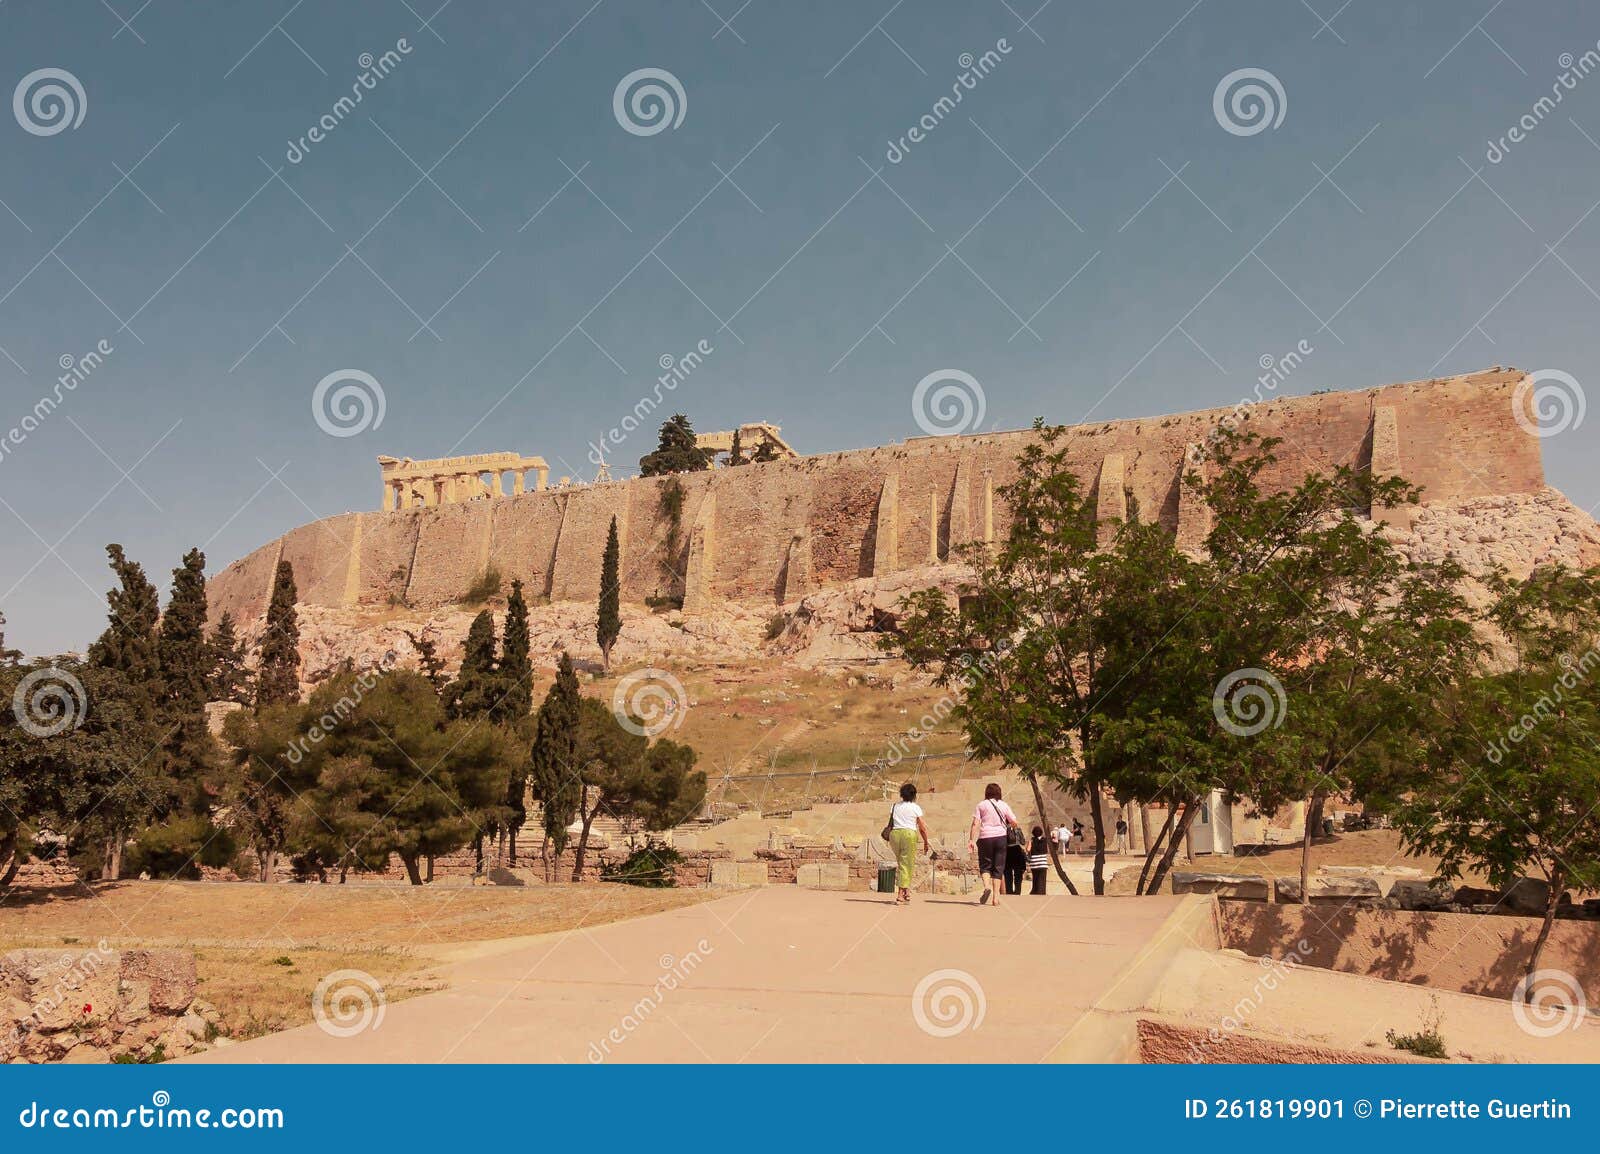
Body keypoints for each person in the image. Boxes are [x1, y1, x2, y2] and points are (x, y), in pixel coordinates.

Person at [968, 783, 1022, 906]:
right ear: (999, 792)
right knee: (999, 867)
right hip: (1001, 838)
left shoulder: (981, 805)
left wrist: (971, 840)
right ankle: (996, 898)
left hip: (985, 838)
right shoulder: (1004, 805)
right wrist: (1007, 825)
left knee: (985, 865)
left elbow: (975, 823)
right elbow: (1014, 822)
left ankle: (987, 887)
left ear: (986, 792)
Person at [886, 781, 931, 905]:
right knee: (907, 864)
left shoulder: (894, 806)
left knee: (902, 863)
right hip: (909, 835)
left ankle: (906, 891)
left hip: (894, 835)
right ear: (914, 795)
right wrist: (926, 842)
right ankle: (901, 893)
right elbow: (922, 827)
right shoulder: (915, 807)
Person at [1027, 826, 1049, 895]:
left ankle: (1035, 891)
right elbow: (1046, 851)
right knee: (1042, 880)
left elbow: (1028, 850)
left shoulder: (1032, 840)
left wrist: (1030, 843)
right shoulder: (1045, 840)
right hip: (1042, 863)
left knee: (1035, 879)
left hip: (1034, 863)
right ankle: (1041, 892)